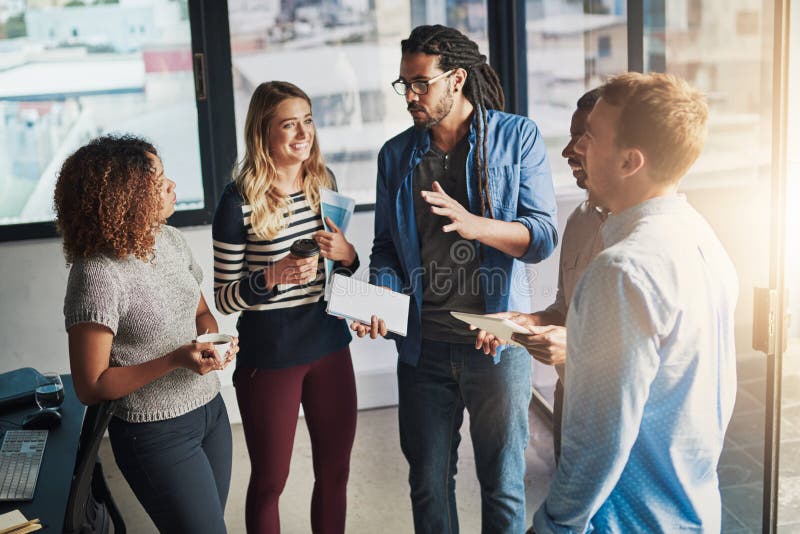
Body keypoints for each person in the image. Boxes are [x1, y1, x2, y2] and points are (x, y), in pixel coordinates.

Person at [354, 25, 558, 533]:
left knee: (503, 484)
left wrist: (474, 224)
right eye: (405, 84)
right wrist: (380, 290)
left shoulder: (518, 137)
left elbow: (543, 235)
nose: (411, 96)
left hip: (496, 344)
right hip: (423, 349)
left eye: (421, 82)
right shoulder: (396, 155)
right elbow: (385, 248)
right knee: (427, 484)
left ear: (457, 78)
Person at [531, 73, 738, 533]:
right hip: (690, 513)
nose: (577, 148)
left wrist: (552, 525)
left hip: (628, 521)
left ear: (630, 161)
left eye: (590, 136)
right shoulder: (703, 239)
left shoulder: (622, 270)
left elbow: (598, 439)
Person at [56, 135, 237, 533]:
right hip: (155, 432)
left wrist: (212, 345)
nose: (172, 185)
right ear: (126, 196)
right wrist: (176, 359)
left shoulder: (169, 240)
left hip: (211, 412)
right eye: (158, 182)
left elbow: (203, 312)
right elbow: (91, 386)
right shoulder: (96, 274)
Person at [212, 81, 360, 534]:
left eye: (308, 121)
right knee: (271, 482)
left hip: (329, 343)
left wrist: (348, 254)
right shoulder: (237, 201)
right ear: (263, 132)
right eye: (289, 125)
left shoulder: (324, 183)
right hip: (270, 354)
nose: (303, 134)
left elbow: (343, 271)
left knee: (335, 474)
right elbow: (223, 298)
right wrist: (270, 277)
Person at [475, 88, 605, 462]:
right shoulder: (581, 219)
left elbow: (653, 356)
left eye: (583, 138)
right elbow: (567, 310)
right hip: (570, 394)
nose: (567, 152)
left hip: (615, 408)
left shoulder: (654, 246)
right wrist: (525, 321)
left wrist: (575, 347)